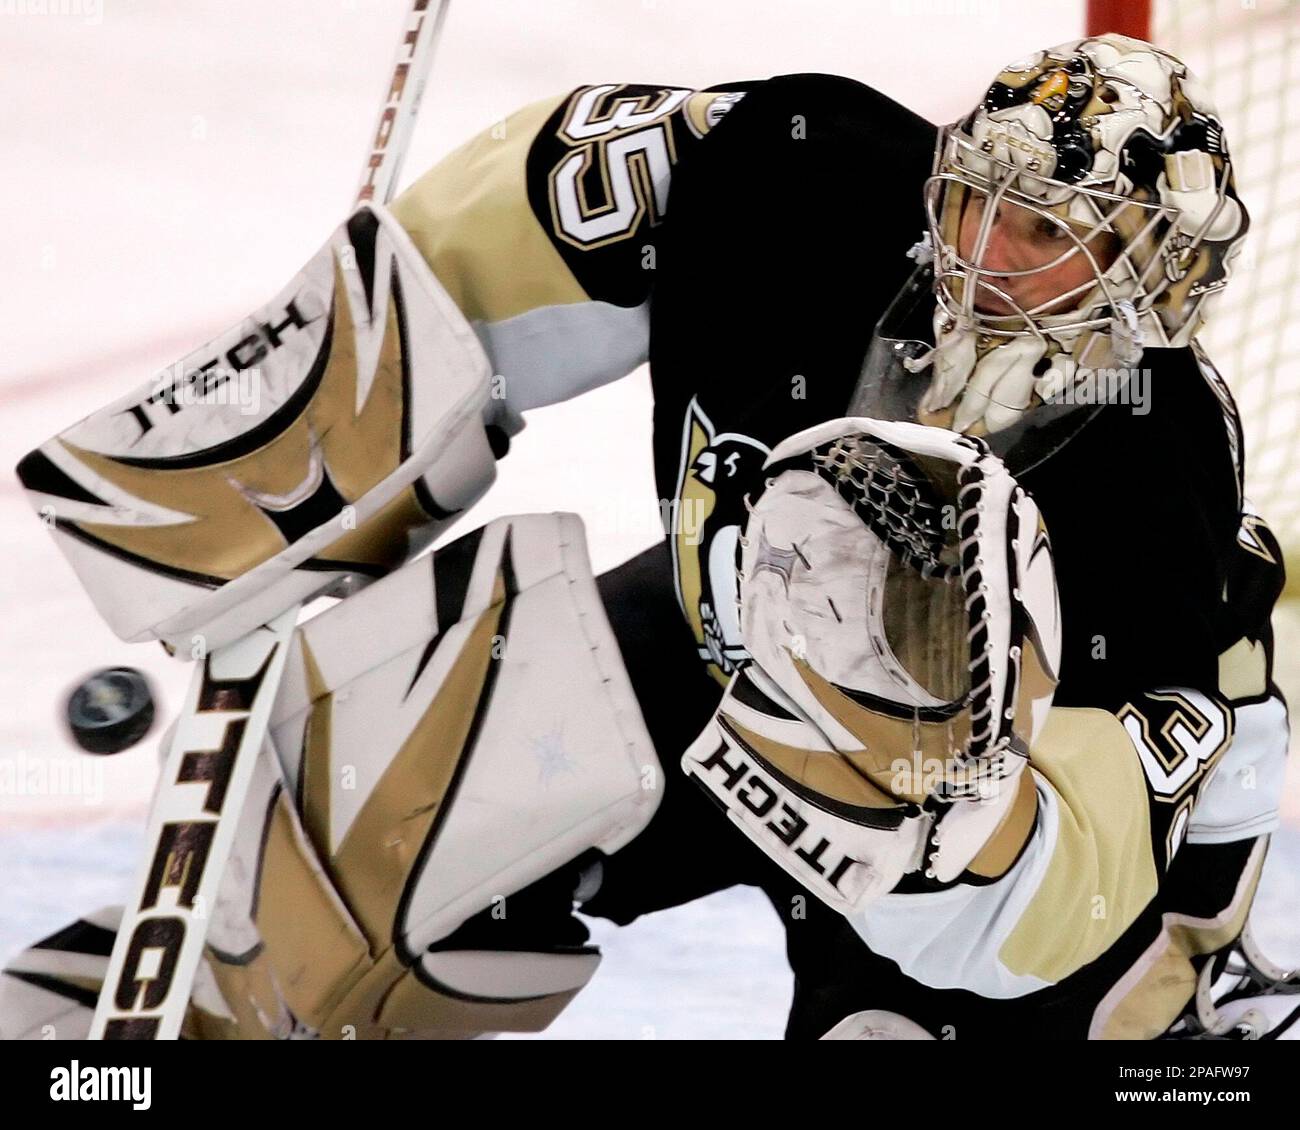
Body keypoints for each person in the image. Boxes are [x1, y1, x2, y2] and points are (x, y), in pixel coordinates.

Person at [10, 33, 1292, 1039]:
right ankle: (200, 994)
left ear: (1147, 275)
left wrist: (960, 860)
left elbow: (1082, 863)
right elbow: (510, 235)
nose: (980, 252)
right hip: (710, 673)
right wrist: (294, 436)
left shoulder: (1155, 470)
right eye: (976, 199)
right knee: (400, 759)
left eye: (1043, 235)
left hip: (927, 811)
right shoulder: (802, 174)